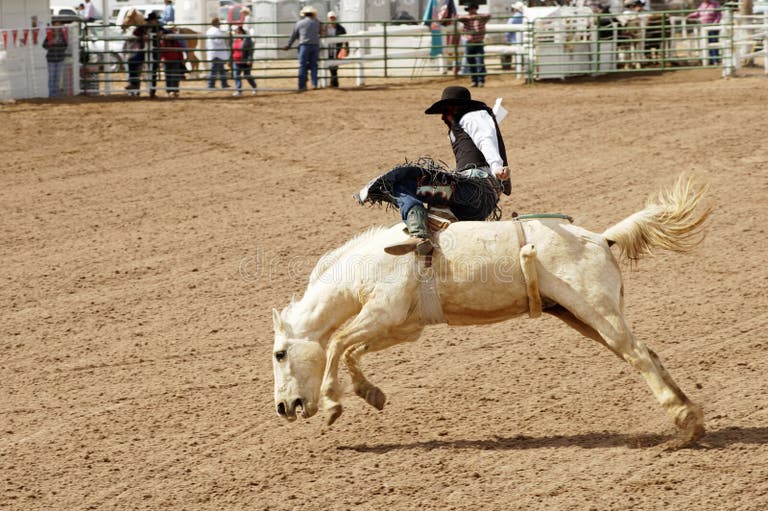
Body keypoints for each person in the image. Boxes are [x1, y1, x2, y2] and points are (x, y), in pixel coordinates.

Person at [360, 86, 511, 256]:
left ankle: (419, 233)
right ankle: (437, 223)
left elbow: (486, 139)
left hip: (472, 191)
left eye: (446, 110)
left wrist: (496, 166)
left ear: (456, 107)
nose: (443, 116)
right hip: (474, 201)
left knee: (403, 182)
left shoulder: (471, 116)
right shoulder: (467, 123)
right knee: (434, 196)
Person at [282, 6, 321, 91]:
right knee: (314, 65)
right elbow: (320, 31)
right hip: (315, 45)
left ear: (304, 14)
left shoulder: (299, 23)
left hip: (304, 45)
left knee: (302, 65)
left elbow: (294, 35)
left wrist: (288, 45)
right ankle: (314, 83)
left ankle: (302, 86)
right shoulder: (317, 23)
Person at [458, 3, 491, 87]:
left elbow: (489, 15)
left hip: (479, 42)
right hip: (470, 42)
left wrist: (476, 17)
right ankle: (474, 80)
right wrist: (470, 17)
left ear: (475, 9)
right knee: (471, 62)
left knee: (480, 61)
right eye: (469, 9)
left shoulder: (481, 18)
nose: (470, 10)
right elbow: (457, 17)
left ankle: (480, 81)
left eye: (472, 8)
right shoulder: (466, 18)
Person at [688, 0, 722, 65]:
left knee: (713, 42)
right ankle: (710, 60)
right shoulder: (702, 5)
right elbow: (697, 13)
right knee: (707, 42)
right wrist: (690, 15)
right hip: (704, 26)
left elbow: (719, 15)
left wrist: (715, 23)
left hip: (712, 26)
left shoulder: (715, 4)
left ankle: (715, 60)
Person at [320, 11, 347, 88]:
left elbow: (346, 39)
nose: (332, 19)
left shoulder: (341, 28)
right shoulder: (324, 28)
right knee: (331, 65)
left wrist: (346, 49)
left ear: (335, 18)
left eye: (333, 17)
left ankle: (334, 82)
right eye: (331, 18)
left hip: (336, 49)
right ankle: (334, 81)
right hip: (327, 49)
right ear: (328, 18)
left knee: (334, 65)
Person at [43, 21, 69, 97]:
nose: (57, 27)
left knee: (58, 77)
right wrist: (52, 42)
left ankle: (56, 94)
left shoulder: (63, 35)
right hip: (51, 59)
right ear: (53, 27)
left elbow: (65, 46)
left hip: (60, 58)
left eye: (58, 25)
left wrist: (58, 45)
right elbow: (44, 45)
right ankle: (51, 94)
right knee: (51, 77)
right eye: (55, 25)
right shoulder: (49, 35)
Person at [159, 24, 185, 97]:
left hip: (175, 60)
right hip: (168, 61)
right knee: (169, 76)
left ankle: (174, 90)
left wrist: (182, 59)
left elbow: (180, 51)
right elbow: (161, 52)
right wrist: (161, 60)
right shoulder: (164, 42)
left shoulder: (175, 42)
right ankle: (169, 90)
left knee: (174, 76)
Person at [232, 25, 257, 96]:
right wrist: (230, 59)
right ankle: (239, 91)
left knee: (247, 75)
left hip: (245, 61)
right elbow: (233, 50)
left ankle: (254, 87)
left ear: (241, 31)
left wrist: (249, 59)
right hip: (236, 60)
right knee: (236, 75)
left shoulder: (247, 40)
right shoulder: (235, 39)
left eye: (237, 31)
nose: (235, 32)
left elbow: (250, 51)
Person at [206, 17, 230, 89]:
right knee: (214, 70)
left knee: (221, 69)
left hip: (215, 52)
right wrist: (225, 36)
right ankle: (210, 85)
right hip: (217, 53)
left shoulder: (210, 30)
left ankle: (224, 83)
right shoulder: (216, 31)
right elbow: (218, 41)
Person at [124, 25, 147, 95]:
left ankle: (135, 89)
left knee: (135, 73)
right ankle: (133, 90)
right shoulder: (137, 39)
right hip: (132, 56)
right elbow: (124, 48)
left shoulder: (139, 40)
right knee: (134, 73)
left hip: (135, 56)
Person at [502, 2, 525, 70]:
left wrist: (507, 37)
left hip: (514, 39)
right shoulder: (525, 16)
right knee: (522, 52)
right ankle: (522, 66)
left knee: (510, 52)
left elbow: (508, 29)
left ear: (516, 9)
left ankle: (510, 66)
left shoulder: (514, 17)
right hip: (523, 38)